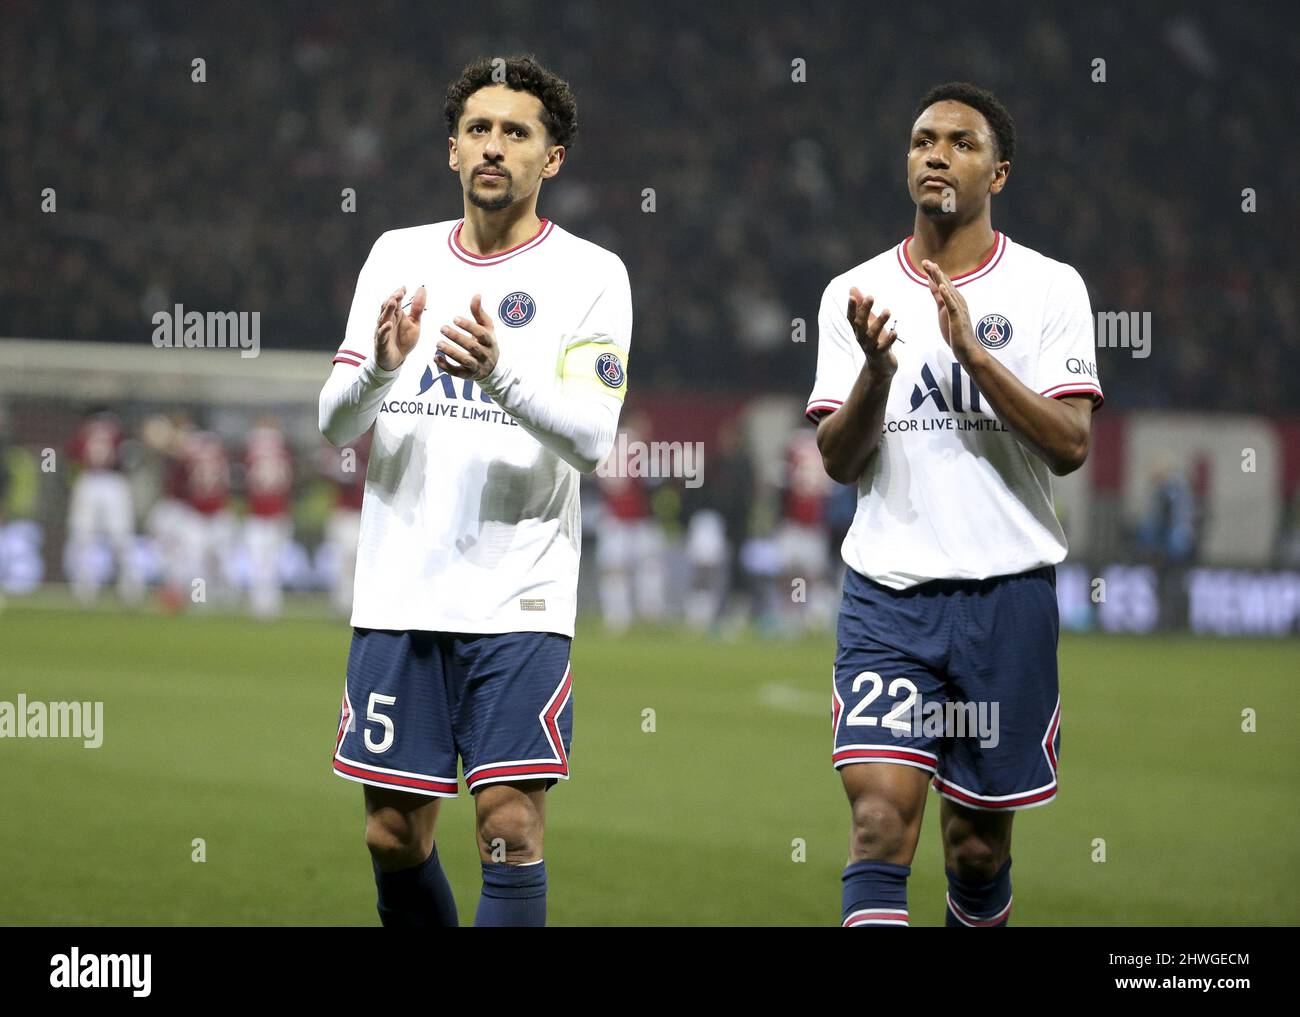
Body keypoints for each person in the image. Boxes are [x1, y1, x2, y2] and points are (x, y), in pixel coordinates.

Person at [319, 55, 632, 927]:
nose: (495, 146)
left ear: (551, 159)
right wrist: (382, 365)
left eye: (517, 132)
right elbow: (336, 422)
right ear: (452, 151)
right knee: (391, 834)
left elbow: (594, 438)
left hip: (519, 597)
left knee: (509, 825)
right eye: (479, 130)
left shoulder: (592, 274)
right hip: (398, 592)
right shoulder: (397, 255)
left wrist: (501, 376)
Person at [805, 82, 1103, 927]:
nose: (937, 153)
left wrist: (972, 351)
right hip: (888, 599)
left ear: (998, 172)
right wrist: (876, 372)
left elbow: (1070, 444)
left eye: (961, 143)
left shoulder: (1050, 287)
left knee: (976, 848)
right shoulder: (853, 293)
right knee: (877, 823)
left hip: (1005, 600)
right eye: (922, 139)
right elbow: (838, 458)